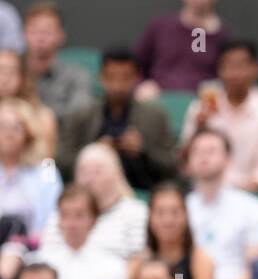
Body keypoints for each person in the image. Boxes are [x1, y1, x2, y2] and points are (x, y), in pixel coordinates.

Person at [57, 49, 176, 193]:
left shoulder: (155, 116)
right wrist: (94, 151)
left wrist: (143, 151)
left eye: (125, 77)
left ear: (136, 78)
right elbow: (60, 162)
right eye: (111, 77)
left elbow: (171, 166)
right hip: (90, 194)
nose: (118, 85)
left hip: (142, 189)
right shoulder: (82, 115)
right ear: (101, 77)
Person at [179, 39, 258, 194]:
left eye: (240, 66)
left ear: (256, 69)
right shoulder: (201, 108)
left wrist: (237, 193)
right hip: (204, 191)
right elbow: (184, 164)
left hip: (249, 194)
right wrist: (199, 129)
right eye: (226, 67)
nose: (232, 74)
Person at [183, 128, 258, 279]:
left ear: (228, 159)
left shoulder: (251, 207)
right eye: (197, 152)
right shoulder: (182, 208)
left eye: (211, 151)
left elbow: (255, 268)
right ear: (188, 162)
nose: (204, 157)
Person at [29, 185, 126, 279]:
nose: (71, 223)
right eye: (65, 215)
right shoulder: (40, 262)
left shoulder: (114, 265)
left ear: (94, 219)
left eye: (79, 215)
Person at [40, 142, 147, 263]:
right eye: (83, 171)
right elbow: (47, 258)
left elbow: (140, 258)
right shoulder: (60, 215)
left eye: (97, 171)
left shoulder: (137, 213)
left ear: (119, 174)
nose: (89, 178)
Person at [144, 181, 216, 279]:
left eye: (175, 212)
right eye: (160, 213)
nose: (168, 220)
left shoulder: (200, 259)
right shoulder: (139, 262)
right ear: (150, 217)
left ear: (185, 216)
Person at [133, 0, 227, 97]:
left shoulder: (222, 37)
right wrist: (142, 86)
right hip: (158, 100)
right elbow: (135, 65)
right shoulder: (161, 27)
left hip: (200, 104)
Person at [22, 3, 92, 122]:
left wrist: (41, 115)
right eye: (34, 31)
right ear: (23, 34)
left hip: (64, 138)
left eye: (47, 31)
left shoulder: (76, 76)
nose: (40, 37)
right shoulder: (13, 74)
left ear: (61, 36)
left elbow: (81, 113)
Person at [0, 97, 60, 236]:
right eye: (3, 126)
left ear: (29, 132)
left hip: (34, 247)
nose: (9, 133)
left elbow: (53, 216)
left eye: (17, 126)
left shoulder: (47, 167)